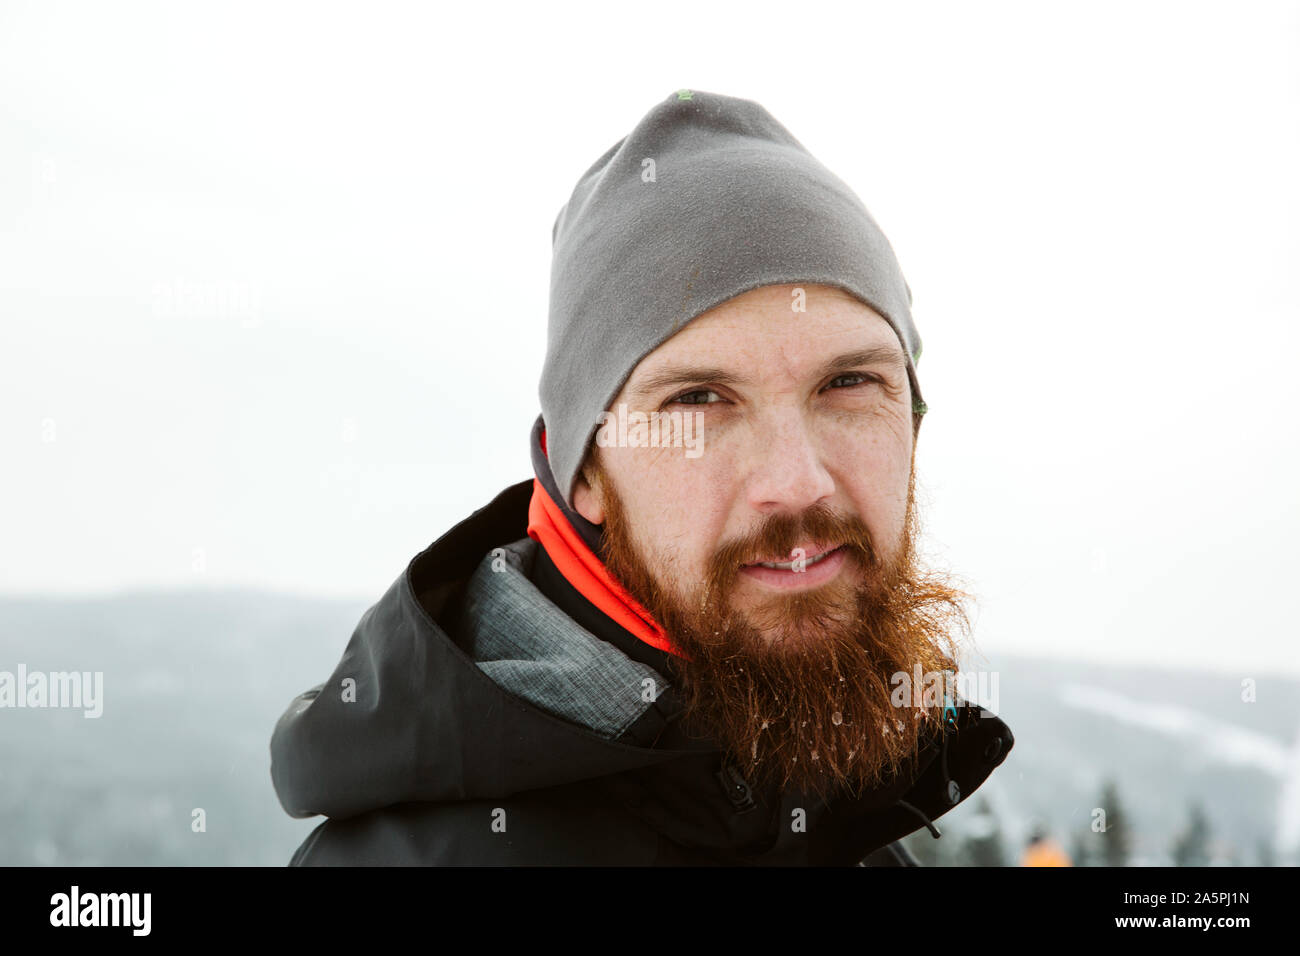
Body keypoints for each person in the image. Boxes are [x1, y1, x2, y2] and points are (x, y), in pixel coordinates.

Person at [269, 88, 1014, 865]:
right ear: (583, 469)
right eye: (699, 401)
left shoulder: (837, 820)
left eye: (849, 383)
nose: (797, 483)